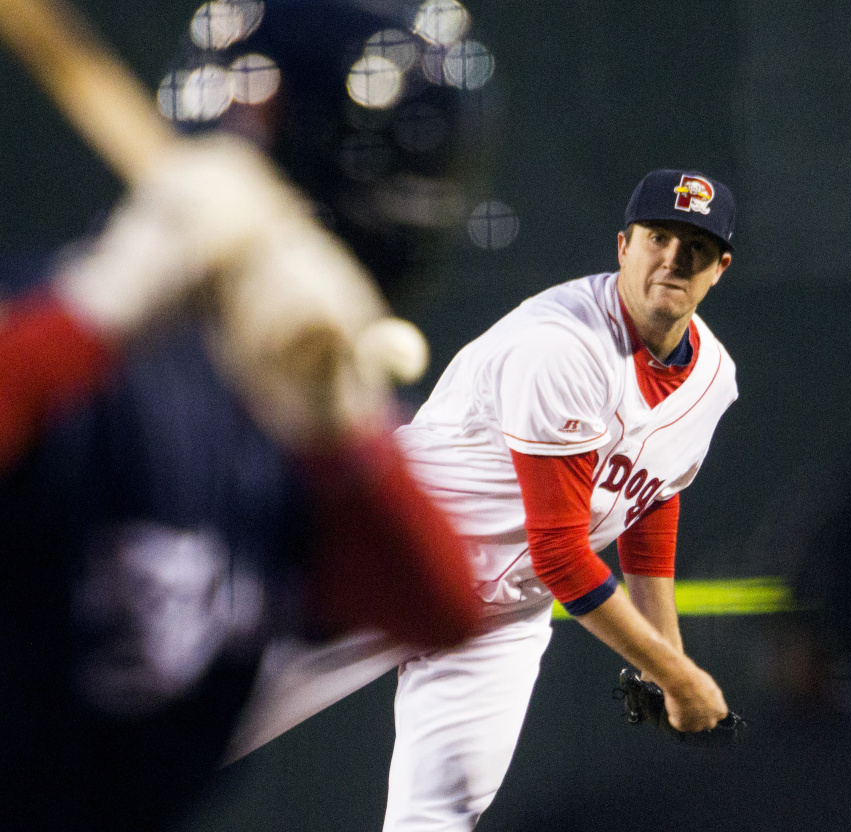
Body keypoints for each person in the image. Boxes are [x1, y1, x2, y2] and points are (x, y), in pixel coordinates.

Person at [0, 0, 492, 829]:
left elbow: (441, 611)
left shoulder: (275, 401)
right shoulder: (47, 337)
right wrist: (101, 309)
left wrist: (340, 426)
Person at [229, 167, 740, 830]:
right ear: (623, 246)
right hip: (395, 555)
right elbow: (561, 555)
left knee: (442, 814)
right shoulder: (561, 346)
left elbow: (653, 501)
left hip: (497, 616)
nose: (673, 259)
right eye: (659, 238)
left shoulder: (714, 376)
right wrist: (680, 680)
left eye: (694, 246)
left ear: (719, 268)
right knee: (180, 728)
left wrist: (669, 667)